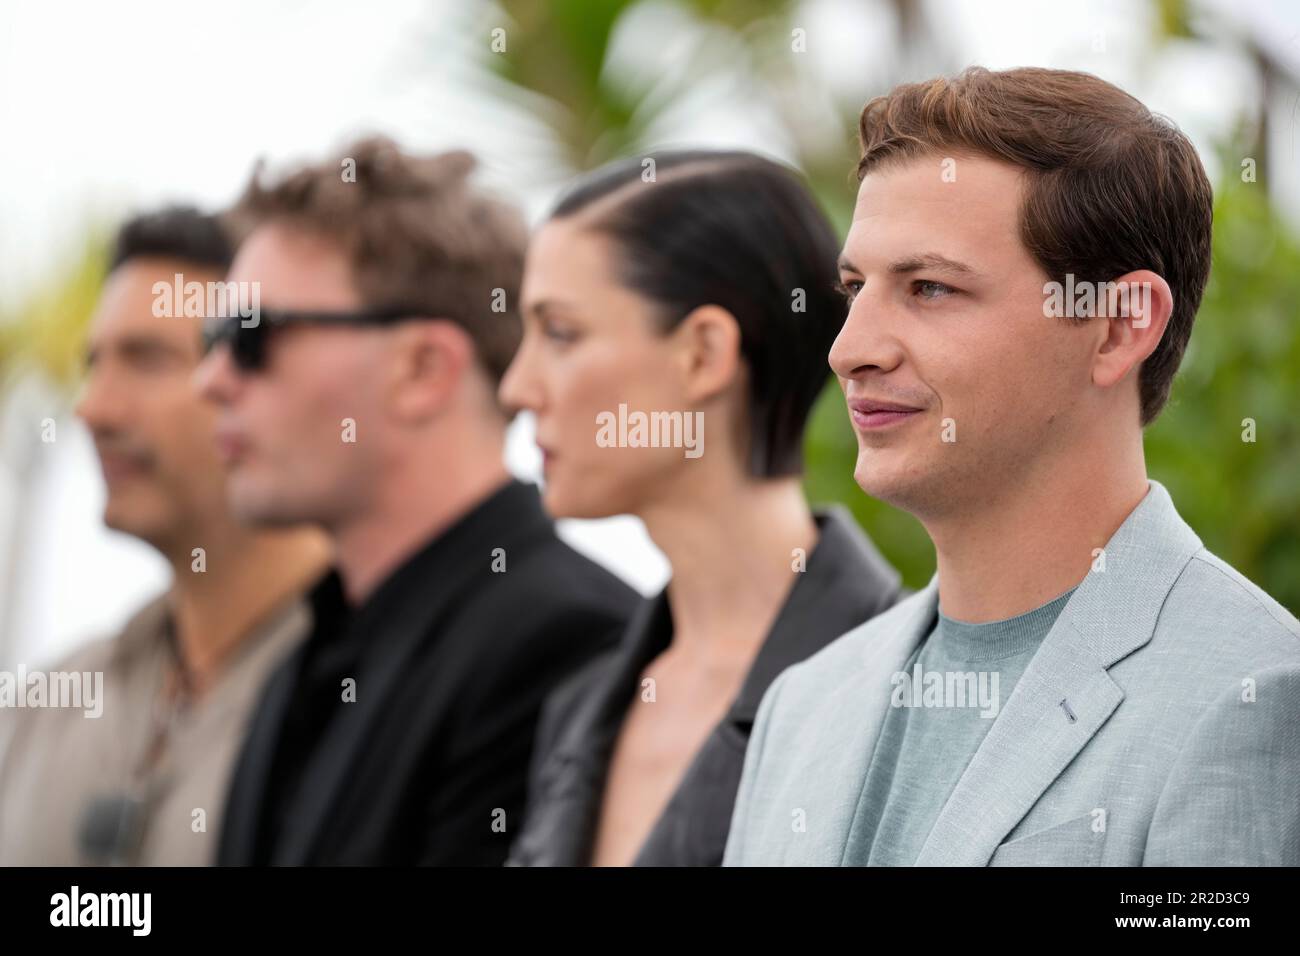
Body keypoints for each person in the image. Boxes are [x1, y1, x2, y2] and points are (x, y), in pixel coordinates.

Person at [723, 67, 1300, 866]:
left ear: (1118, 328)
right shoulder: (801, 706)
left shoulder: (1252, 695)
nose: (849, 348)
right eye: (855, 288)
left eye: (928, 288)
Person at [195, 138, 638, 865]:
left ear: (424, 368)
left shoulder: (569, 644)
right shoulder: (299, 663)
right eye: (211, 337)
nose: (210, 380)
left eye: (250, 335)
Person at [503, 151, 903, 867]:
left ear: (703, 354)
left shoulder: (899, 696)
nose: (518, 387)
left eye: (560, 333)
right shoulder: (583, 706)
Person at [0, 207, 329, 865]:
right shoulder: (50, 704)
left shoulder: (378, 698)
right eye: (94, 363)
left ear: (258, 381)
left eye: (146, 359)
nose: (93, 408)